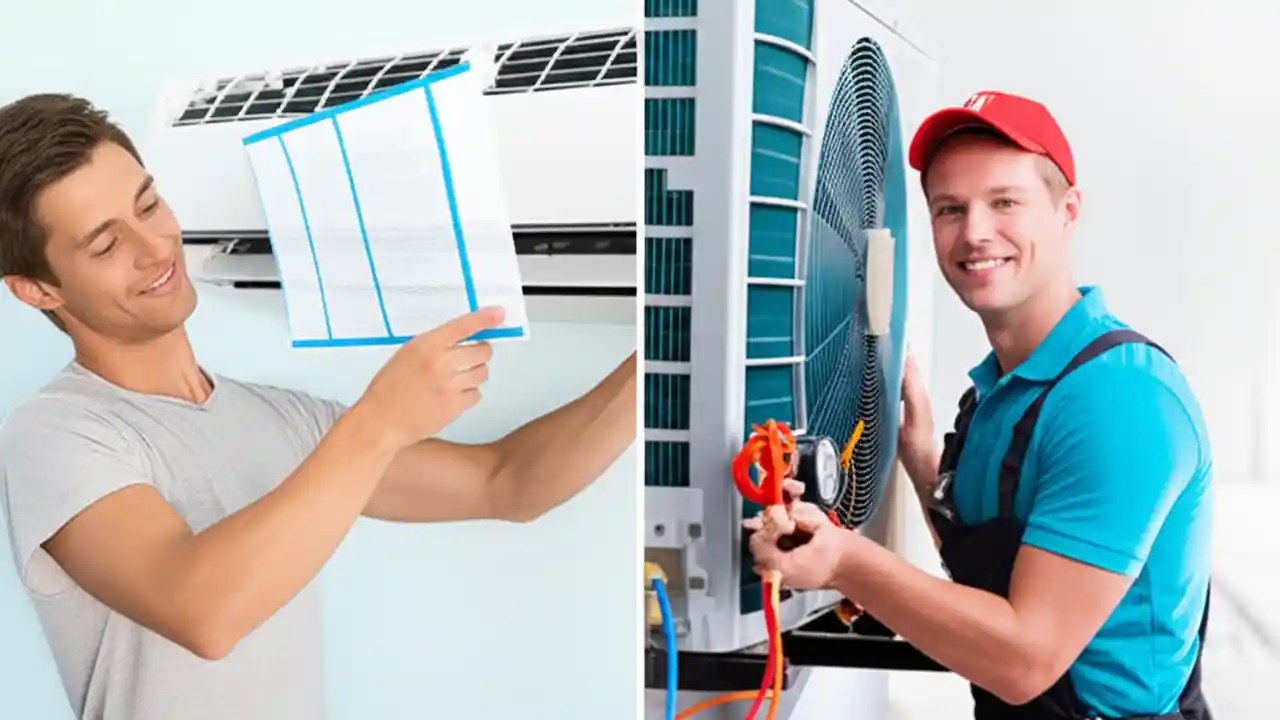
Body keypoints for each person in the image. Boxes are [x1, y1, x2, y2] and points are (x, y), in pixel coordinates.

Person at [0, 93, 636, 720]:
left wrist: (671, 343)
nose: (155, 247)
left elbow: (509, 483)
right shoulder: (57, 434)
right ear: (37, 289)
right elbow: (204, 613)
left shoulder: (282, 422)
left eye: (149, 205)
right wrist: (381, 420)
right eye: (107, 246)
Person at [746, 91, 1213, 720]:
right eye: (949, 209)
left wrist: (844, 560)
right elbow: (994, 582)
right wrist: (919, 462)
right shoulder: (998, 393)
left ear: (1067, 210)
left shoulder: (1122, 401)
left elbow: (1024, 659)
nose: (974, 233)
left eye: (1005, 203)